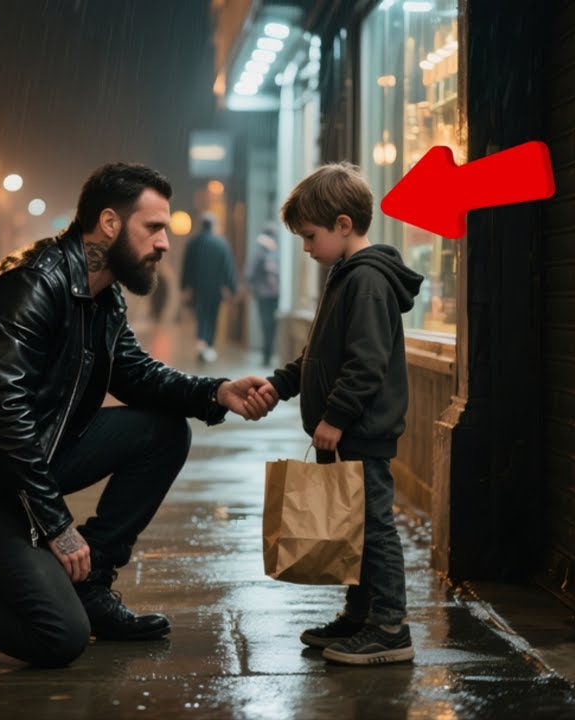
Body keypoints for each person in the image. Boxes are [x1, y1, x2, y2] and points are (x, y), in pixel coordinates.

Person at [0, 162, 273, 668]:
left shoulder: (102, 295)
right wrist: (56, 526)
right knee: (57, 637)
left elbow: (134, 373)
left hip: (25, 459)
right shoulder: (30, 284)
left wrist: (218, 391)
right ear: (109, 224)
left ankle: (90, 585)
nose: (165, 243)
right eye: (153, 228)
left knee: (162, 432)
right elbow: (1, 410)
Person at [255, 162, 424, 666]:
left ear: (344, 225)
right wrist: (280, 384)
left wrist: (336, 418)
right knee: (356, 527)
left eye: (310, 236)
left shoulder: (366, 281)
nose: (306, 248)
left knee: (374, 527)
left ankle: (390, 627)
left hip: (361, 432)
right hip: (349, 431)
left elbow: (366, 362)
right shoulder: (346, 276)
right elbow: (319, 355)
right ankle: (360, 616)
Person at [180, 213, 236, 363]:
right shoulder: (221, 243)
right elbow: (228, 267)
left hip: (198, 287)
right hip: (215, 289)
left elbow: (186, 266)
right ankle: (208, 345)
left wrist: (184, 286)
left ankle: (201, 342)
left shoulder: (193, 242)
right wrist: (231, 287)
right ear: (214, 225)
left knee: (201, 314)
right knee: (212, 315)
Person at [244, 224, 281, 365]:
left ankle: (267, 355)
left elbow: (249, 273)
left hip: (263, 295)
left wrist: (255, 289)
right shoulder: (275, 251)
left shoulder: (259, 251)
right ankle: (268, 354)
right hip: (273, 294)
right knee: (270, 326)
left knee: (266, 324)